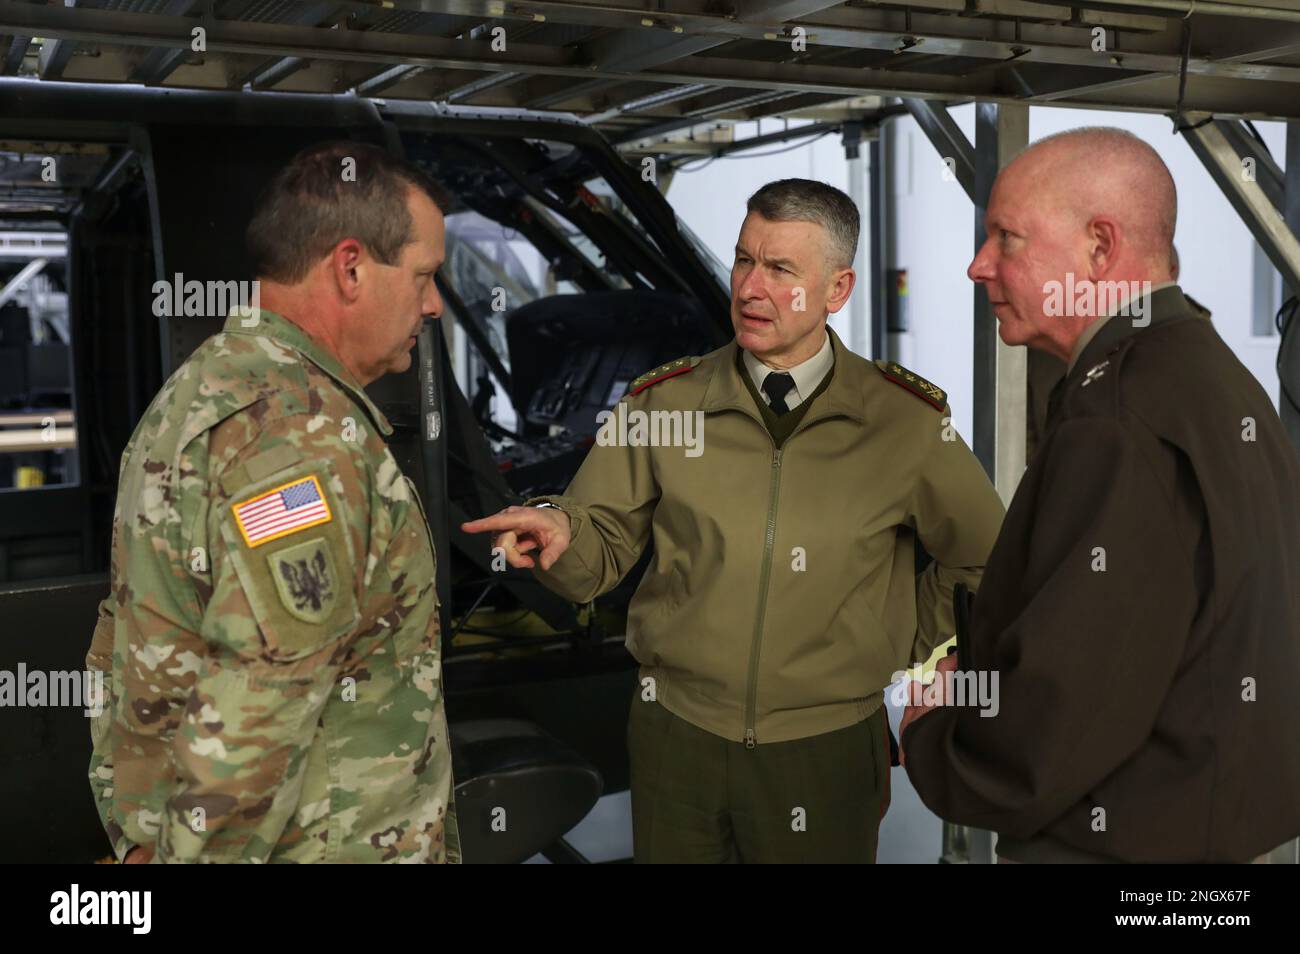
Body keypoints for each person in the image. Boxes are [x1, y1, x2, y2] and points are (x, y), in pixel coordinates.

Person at [464, 178, 1005, 863]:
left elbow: (987, 560)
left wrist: (893, 633)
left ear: (837, 291)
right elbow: (595, 543)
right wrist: (558, 528)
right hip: (675, 739)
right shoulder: (667, 403)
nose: (750, 287)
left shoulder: (905, 422)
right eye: (745, 260)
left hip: (826, 748)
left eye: (780, 269)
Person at [900, 127, 1300, 863]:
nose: (977, 265)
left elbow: (1056, 722)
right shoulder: (1208, 375)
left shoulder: (1118, 420)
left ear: (1099, 248)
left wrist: (936, 727)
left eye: (1007, 238)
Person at [86, 141, 459, 863]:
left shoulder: (200, 393)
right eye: (424, 276)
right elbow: (257, 711)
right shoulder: (305, 442)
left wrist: (148, 846)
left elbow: (136, 647)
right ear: (351, 267)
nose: (434, 303)